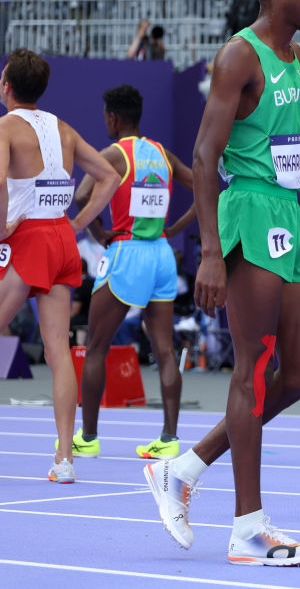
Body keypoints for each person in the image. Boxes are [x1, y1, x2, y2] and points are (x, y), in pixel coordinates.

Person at [142, 0, 300, 566]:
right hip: (248, 210)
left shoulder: (295, 56)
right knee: (252, 366)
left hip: (288, 213)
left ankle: (185, 468)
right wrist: (212, 254)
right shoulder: (239, 55)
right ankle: (248, 528)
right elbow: (201, 157)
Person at [0, 48, 119, 484]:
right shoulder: (62, 128)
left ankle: (66, 456)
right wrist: (79, 223)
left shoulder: (6, 128)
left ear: (6, 86)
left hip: (26, 239)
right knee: (58, 353)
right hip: (60, 239)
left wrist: (0, 229)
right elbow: (109, 176)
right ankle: (65, 460)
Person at [70, 84, 195, 461]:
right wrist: (175, 229)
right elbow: (208, 187)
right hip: (161, 255)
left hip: (127, 252)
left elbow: (80, 196)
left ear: (113, 118)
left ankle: (88, 438)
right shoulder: (162, 153)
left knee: (96, 347)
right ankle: (169, 438)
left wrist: (98, 233)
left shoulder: (113, 153)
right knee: (165, 350)